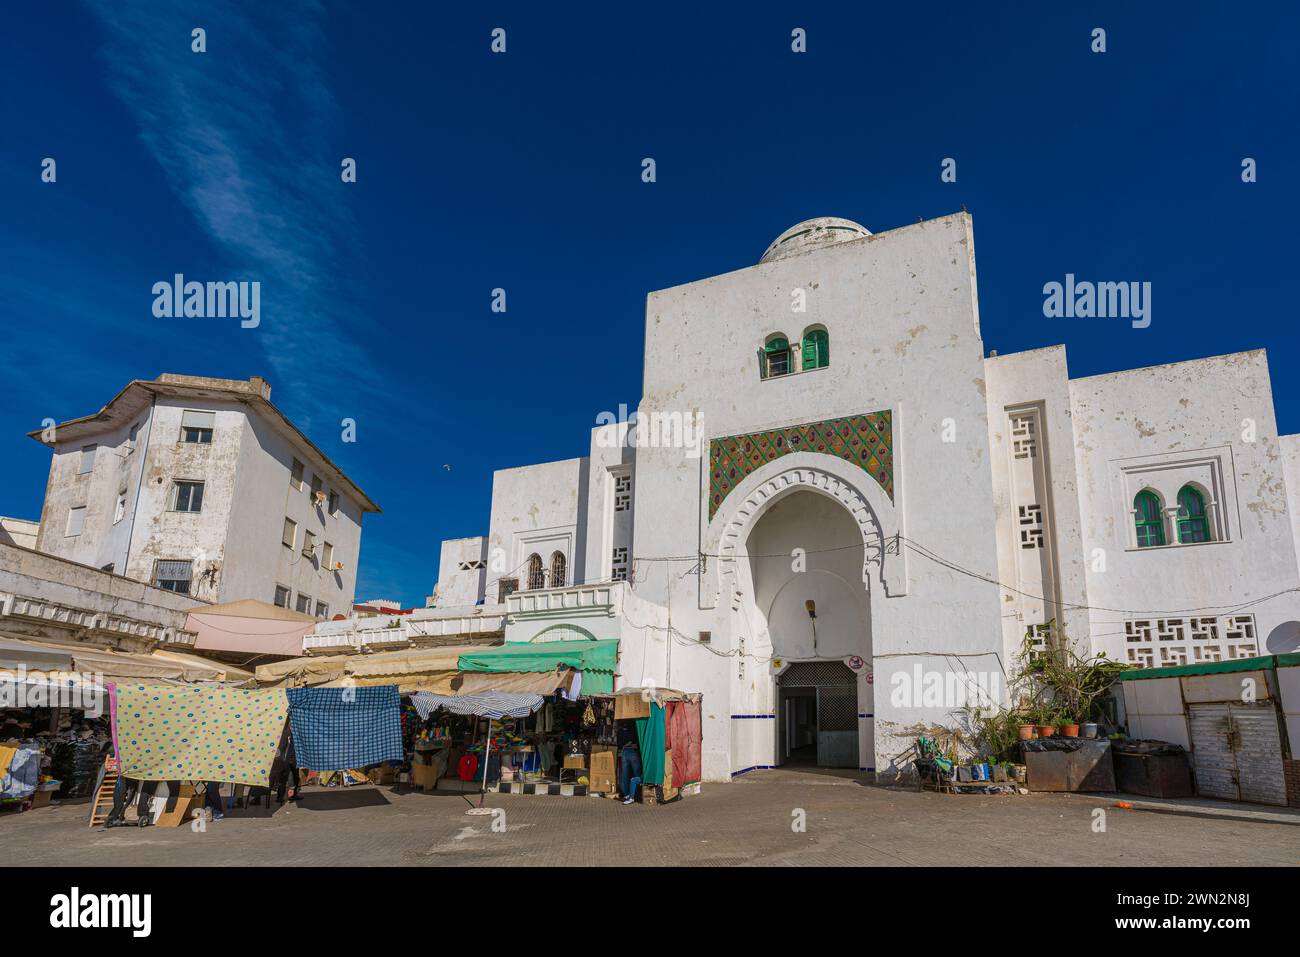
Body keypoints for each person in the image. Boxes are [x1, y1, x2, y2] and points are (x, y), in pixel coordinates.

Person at [617, 723, 641, 806]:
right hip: (632, 752)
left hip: (625, 752)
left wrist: (626, 745)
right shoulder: (634, 729)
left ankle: (627, 795)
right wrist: (630, 744)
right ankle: (635, 795)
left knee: (625, 775)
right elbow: (636, 742)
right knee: (636, 774)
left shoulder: (620, 732)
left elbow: (619, 743)